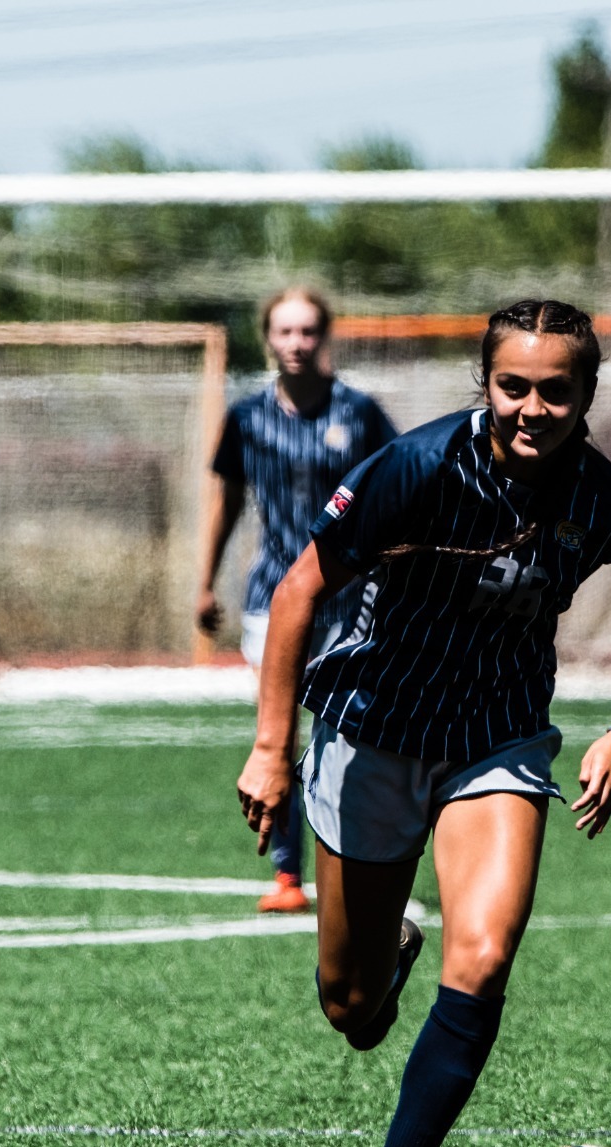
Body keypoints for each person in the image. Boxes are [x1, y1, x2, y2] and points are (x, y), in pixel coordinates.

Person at [234, 299, 611, 1147]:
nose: (533, 407)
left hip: (497, 739)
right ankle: (385, 960)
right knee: (353, 1008)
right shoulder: (417, 466)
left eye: (555, 391)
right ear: (486, 386)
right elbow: (296, 594)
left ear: (586, 396)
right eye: (513, 386)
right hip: (371, 733)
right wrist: (268, 747)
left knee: (485, 956)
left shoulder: (604, 500)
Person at [199, 288, 397, 913]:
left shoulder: (361, 413)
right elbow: (226, 500)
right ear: (268, 339)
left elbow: (397, 492)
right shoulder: (247, 417)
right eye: (284, 331)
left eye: (308, 331)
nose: (296, 343)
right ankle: (287, 873)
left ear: (325, 336)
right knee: (277, 732)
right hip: (273, 597)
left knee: (344, 732)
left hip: (352, 597)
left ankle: (360, 860)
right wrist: (205, 581)